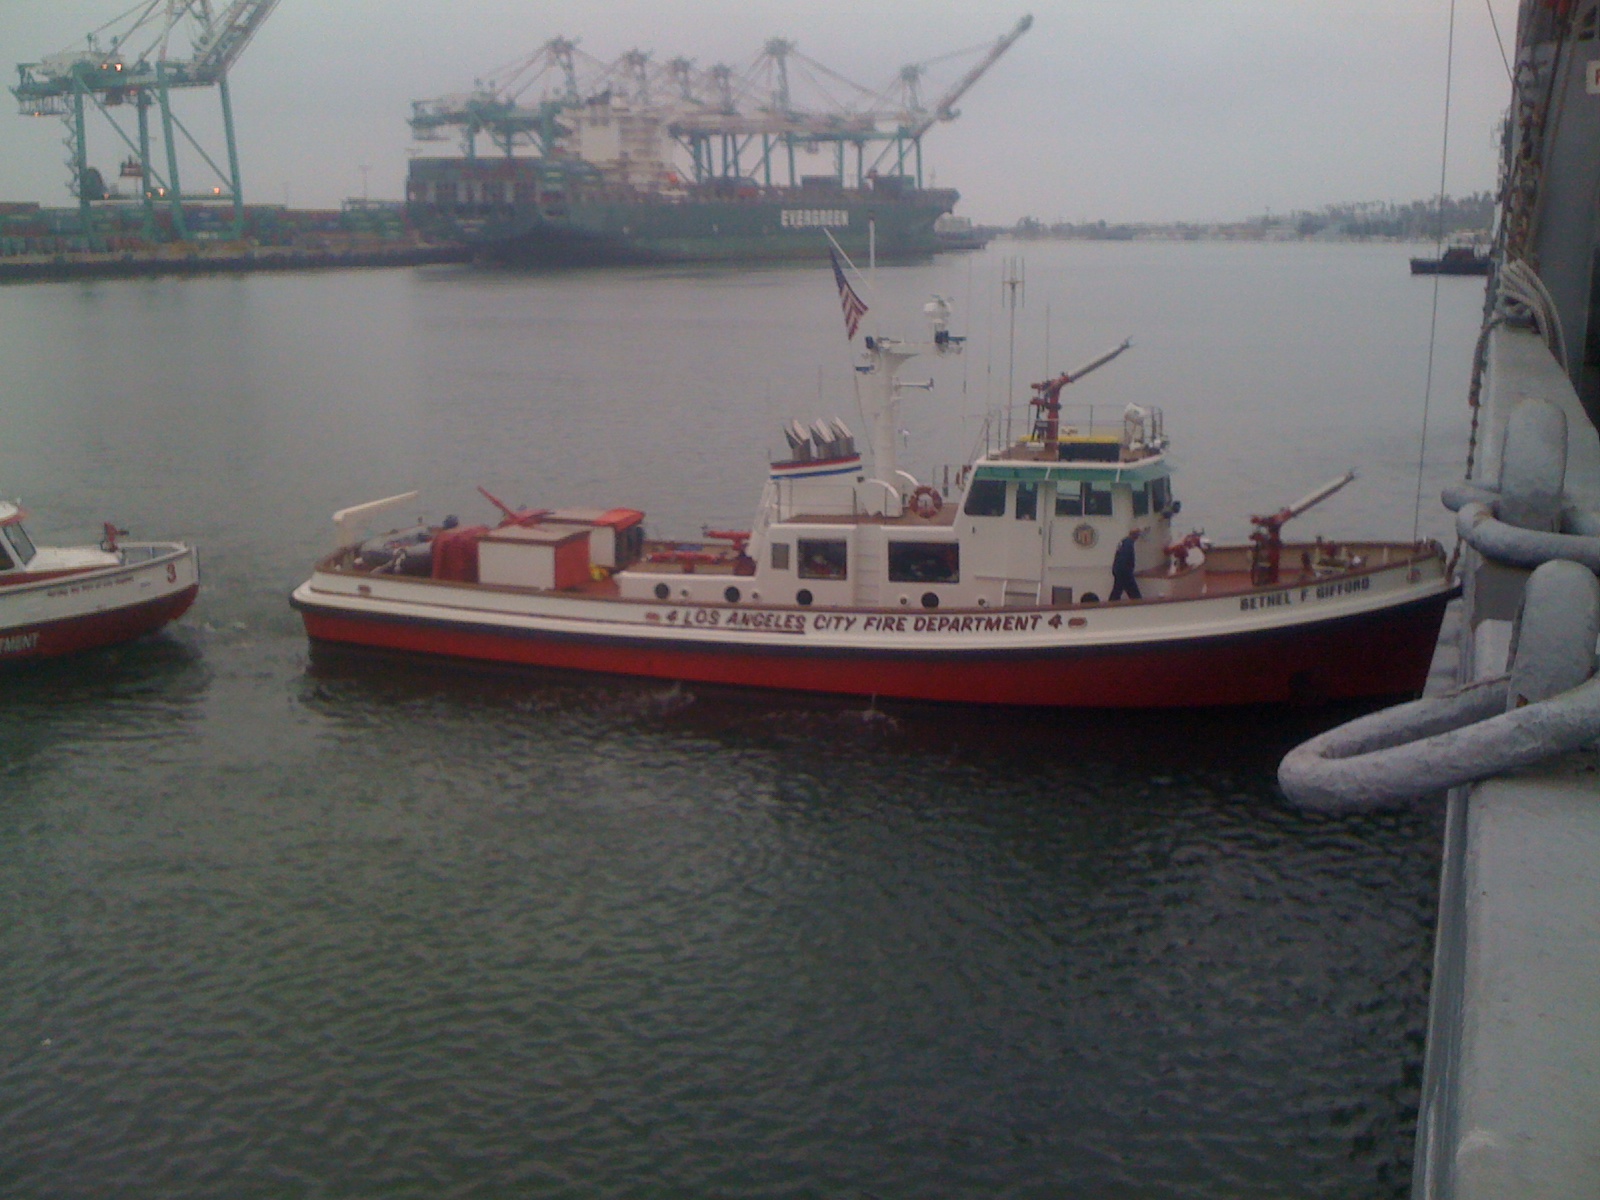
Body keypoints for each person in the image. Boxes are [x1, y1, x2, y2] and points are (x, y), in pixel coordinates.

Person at [1110, 529, 1142, 601]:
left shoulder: (1124, 542)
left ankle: (1110, 605)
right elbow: (1125, 558)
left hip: (1119, 570)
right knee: (1134, 593)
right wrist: (1127, 571)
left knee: (1117, 591)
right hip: (1124, 572)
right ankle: (1139, 605)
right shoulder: (1128, 544)